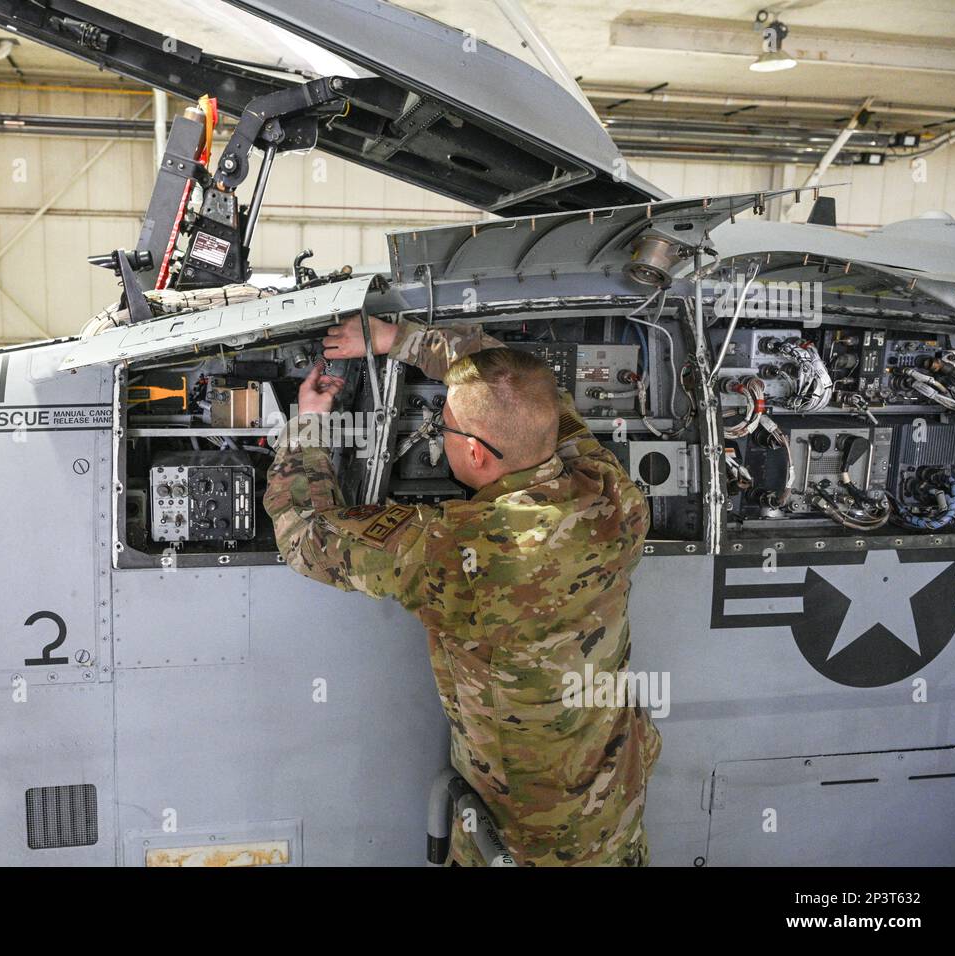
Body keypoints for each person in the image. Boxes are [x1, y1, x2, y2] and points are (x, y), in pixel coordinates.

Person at [263, 314, 662, 866]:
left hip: (525, 839)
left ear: (475, 453)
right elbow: (520, 383)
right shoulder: (613, 492)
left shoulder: (455, 551)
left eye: (443, 425)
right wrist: (391, 340)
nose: (439, 430)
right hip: (616, 800)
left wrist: (309, 425)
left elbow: (305, 532)